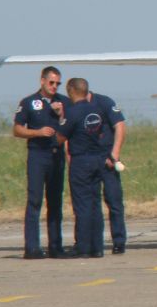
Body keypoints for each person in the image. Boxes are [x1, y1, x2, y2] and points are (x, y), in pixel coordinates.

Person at [56, 77, 114, 258]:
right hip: (97, 158)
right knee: (95, 203)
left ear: (72, 90)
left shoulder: (72, 112)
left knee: (82, 205)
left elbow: (59, 138)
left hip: (81, 160)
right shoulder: (96, 111)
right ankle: (97, 247)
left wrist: (59, 119)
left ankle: (82, 246)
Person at [13, 66, 68, 259]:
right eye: (51, 82)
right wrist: (38, 132)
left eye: (57, 83)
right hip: (38, 155)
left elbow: (70, 128)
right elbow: (17, 130)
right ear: (42, 81)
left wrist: (61, 115)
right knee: (35, 200)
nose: (54, 87)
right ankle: (32, 247)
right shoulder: (29, 102)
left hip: (57, 156)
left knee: (55, 202)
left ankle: (56, 246)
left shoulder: (64, 102)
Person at [90, 90, 127, 254]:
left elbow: (119, 125)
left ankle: (119, 241)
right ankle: (92, 241)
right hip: (88, 159)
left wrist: (114, 154)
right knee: (91, 202)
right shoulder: (74, 105)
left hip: (107, 158)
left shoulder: (104, 102)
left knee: (114, 201)